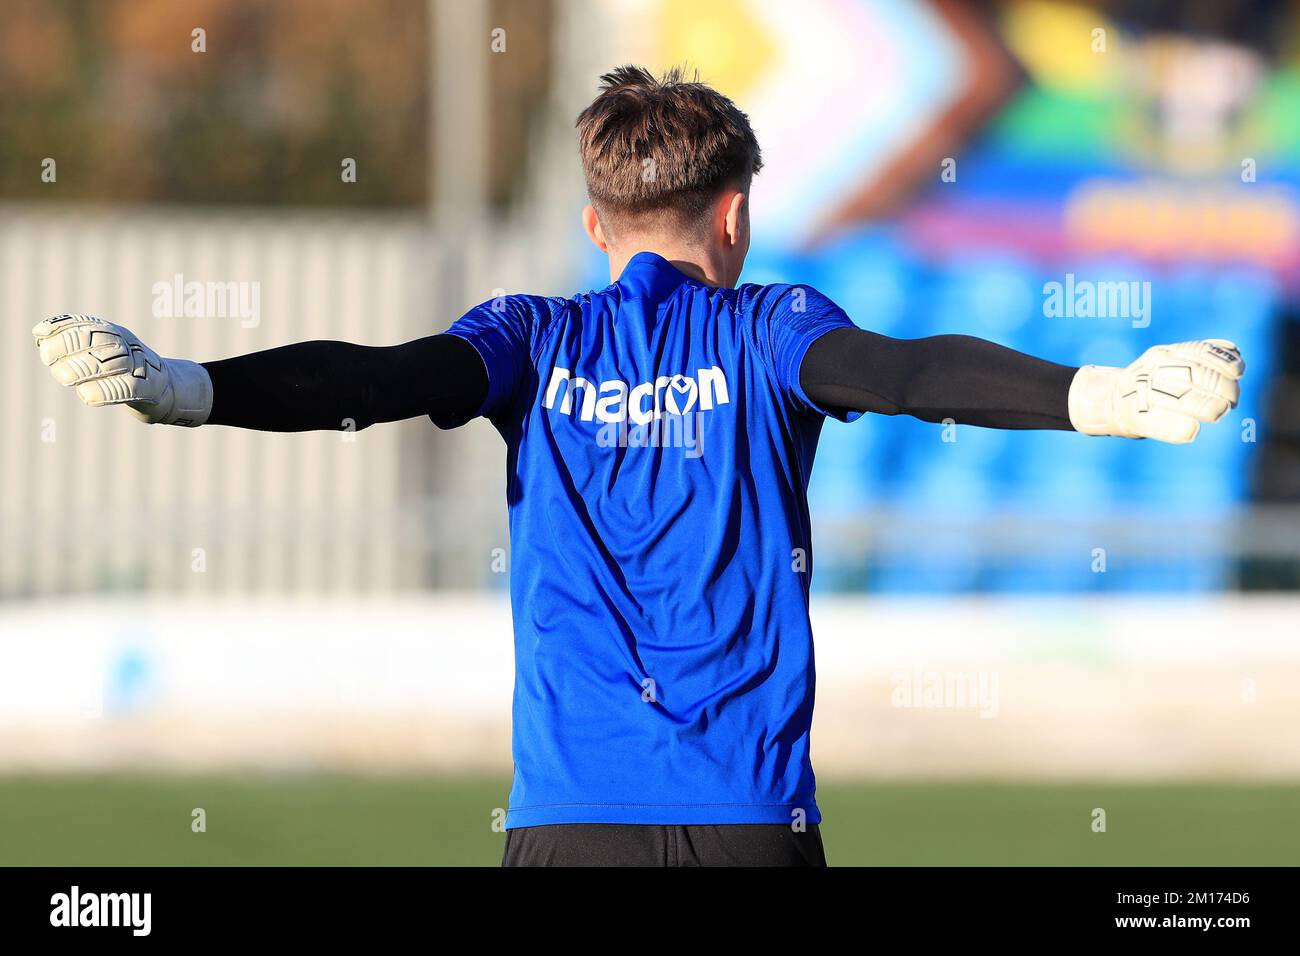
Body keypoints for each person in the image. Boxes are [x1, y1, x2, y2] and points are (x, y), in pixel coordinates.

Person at [32, 65, 1244, 867]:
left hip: (570, 824)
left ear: (596, 225)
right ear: (734, 216)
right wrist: (1097, 393)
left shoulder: (531, 336)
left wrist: (194, 388)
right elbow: (904, 373)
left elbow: (377, 378)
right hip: (751, 825)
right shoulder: (770, 329)